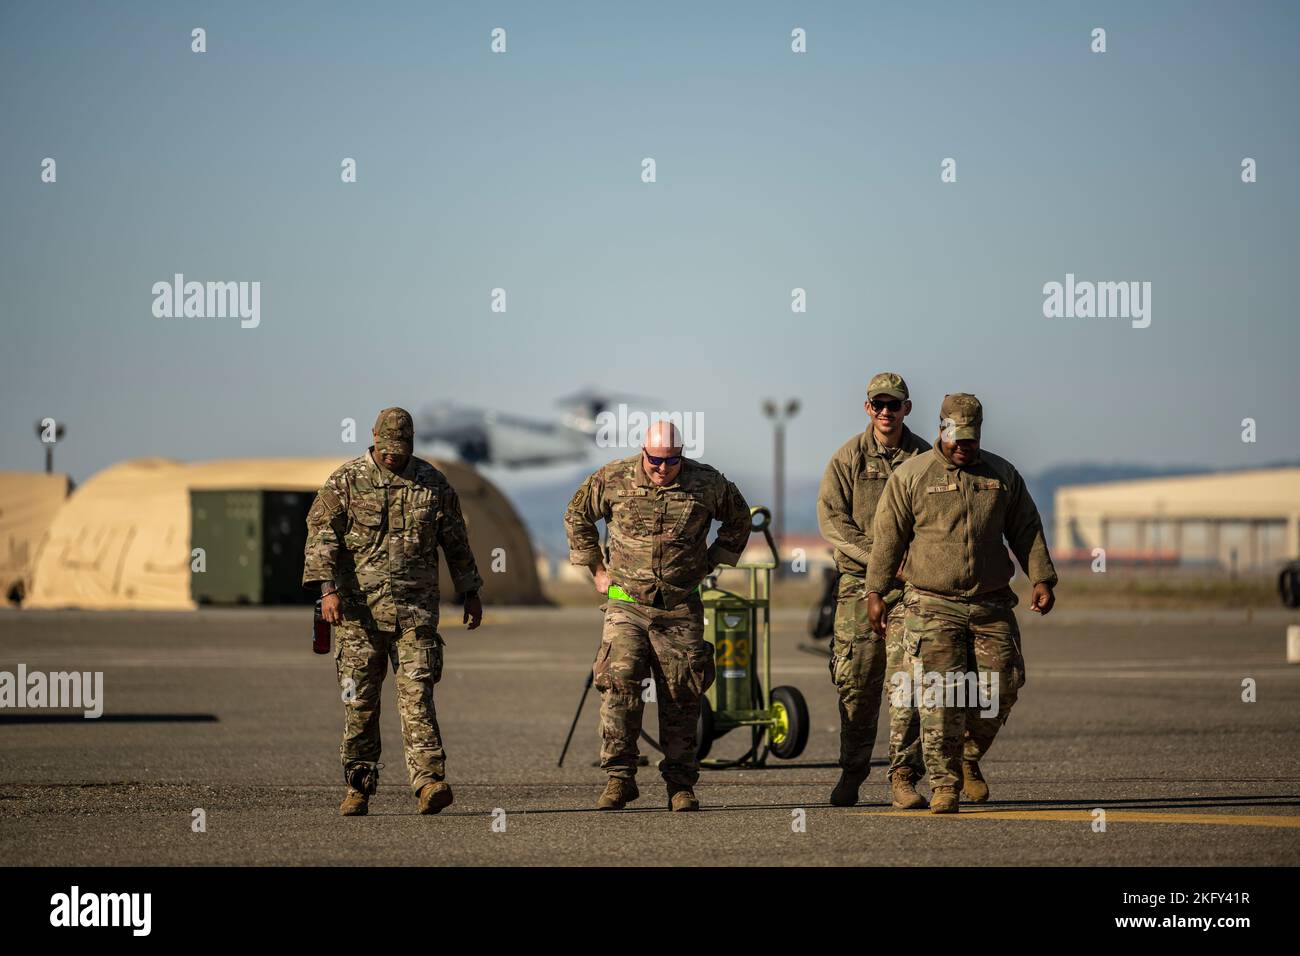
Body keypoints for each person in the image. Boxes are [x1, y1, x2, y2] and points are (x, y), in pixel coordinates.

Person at [865, 393, 1057, 814]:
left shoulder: (1001, 475)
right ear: (941, 429)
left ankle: (969, 756)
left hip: (990, 604)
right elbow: (889, 538)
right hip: (932, 603)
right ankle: (944, 785)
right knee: (941, 697)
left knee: (1001, 685)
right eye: (955, 439)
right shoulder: (913, 475)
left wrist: (1041, 576)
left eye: (970, 440)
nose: (961, 447)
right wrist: (875, 591)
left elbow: (1026, 529)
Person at [304, 407, 484, 817]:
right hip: (358, 617)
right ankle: (358, 786)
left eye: (400, 449)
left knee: (418, 697)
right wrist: (327, 590)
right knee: (360, 705)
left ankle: (428, 782)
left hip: (415, 615)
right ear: (373, 438)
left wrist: (470, 590)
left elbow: (456, 542)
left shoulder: (433, 485)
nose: (392, 456)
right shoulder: (346, 481)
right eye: (386, 448)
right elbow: (320, 538)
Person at [564, 420, 751, 811]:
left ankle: (680, 785)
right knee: (619, 682)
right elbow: (577, 514)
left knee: (682, 694)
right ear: (643, 451)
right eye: (655, 460)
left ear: (682, 455)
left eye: (672, 461)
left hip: (680, 605)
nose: (663, 469)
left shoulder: (707, 483)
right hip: (626, 602)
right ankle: (620, 778)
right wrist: (596, 569)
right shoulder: (613, 478)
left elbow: (739, 518)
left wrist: (712, 561)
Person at [817, 372, 931, 808]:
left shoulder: (926, 457)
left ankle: (903, 777)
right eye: (878, 404)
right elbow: (834, 524)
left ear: (907, 407)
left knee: (908, 684)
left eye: (894, 404)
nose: (886, 412)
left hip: (911, 589)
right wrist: (882, 560)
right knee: (857, 684)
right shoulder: (847, 459)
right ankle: (852, 771)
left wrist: (914, 565)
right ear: (868, 408)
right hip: (858, 585)